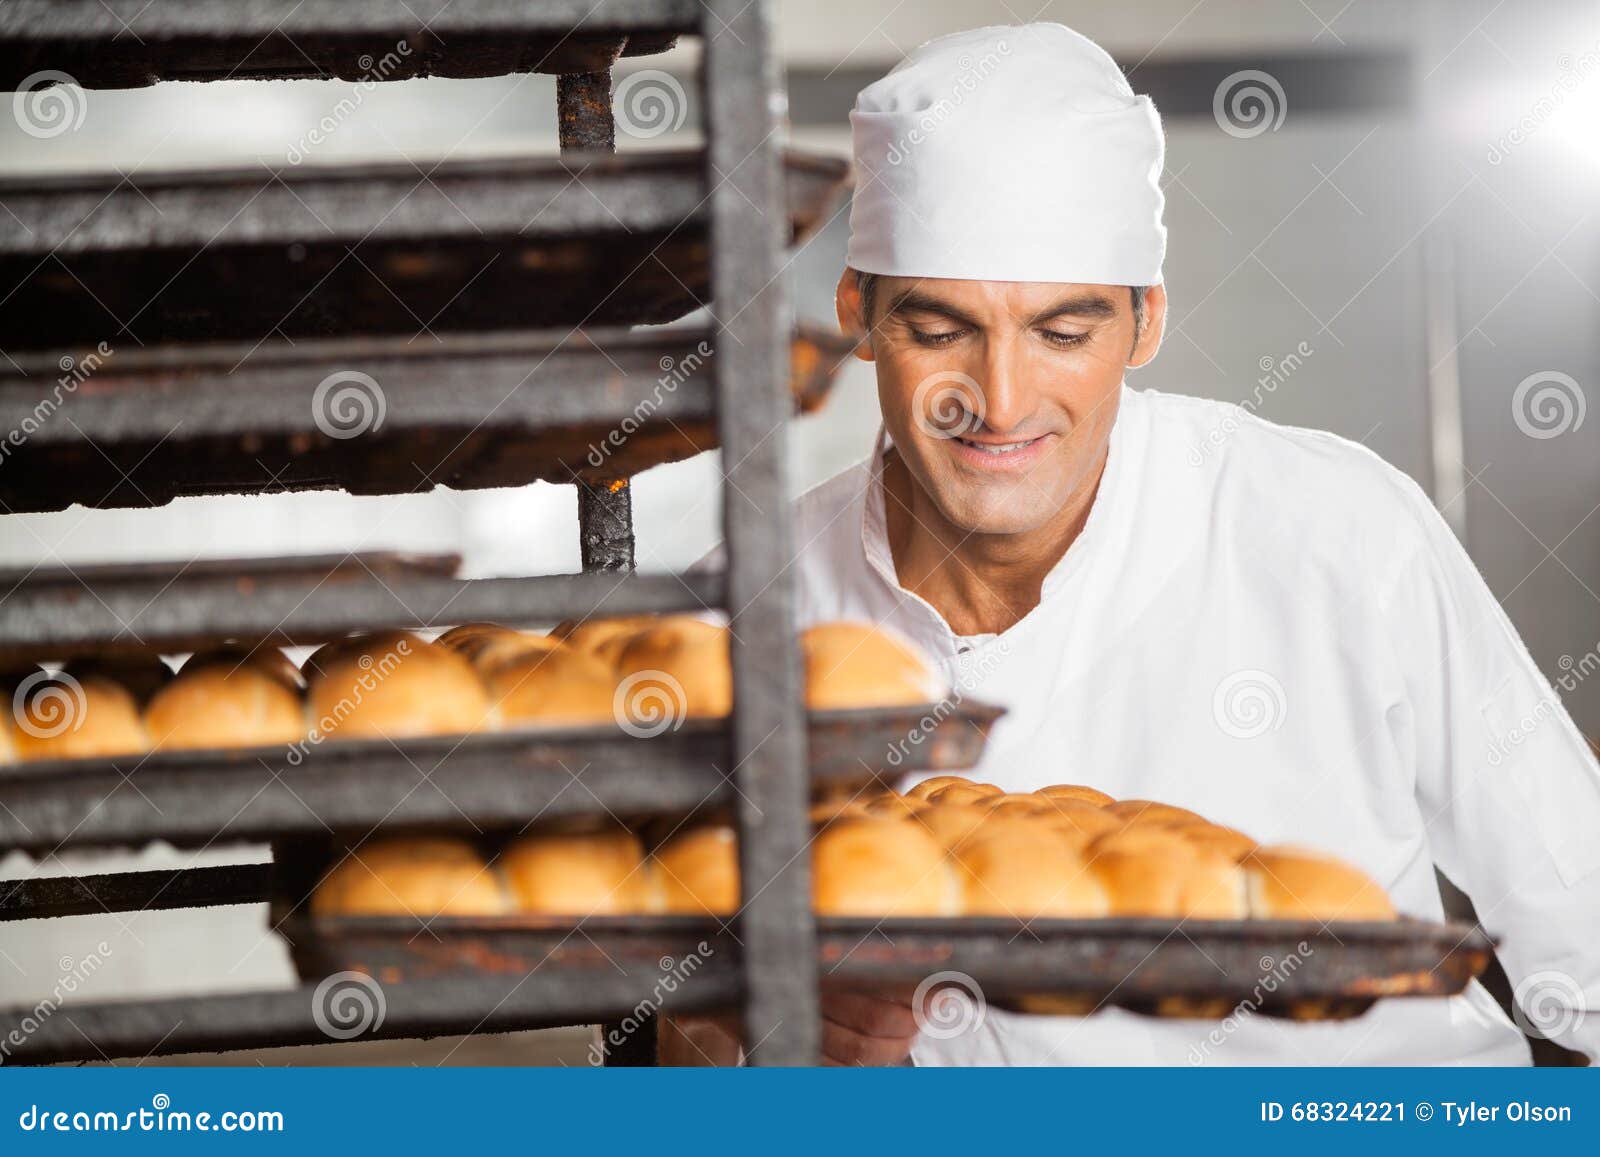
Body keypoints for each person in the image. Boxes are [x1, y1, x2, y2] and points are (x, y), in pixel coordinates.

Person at [665, 21, 1600, 1065]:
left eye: (1062, 333)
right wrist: (741, 1042)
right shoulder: (740, 618)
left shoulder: (1336, 531)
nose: (1001, 400)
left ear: (1145, 320)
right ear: (857, 312)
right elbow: (681, 1033)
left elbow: (1588, 929)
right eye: (939, 329)